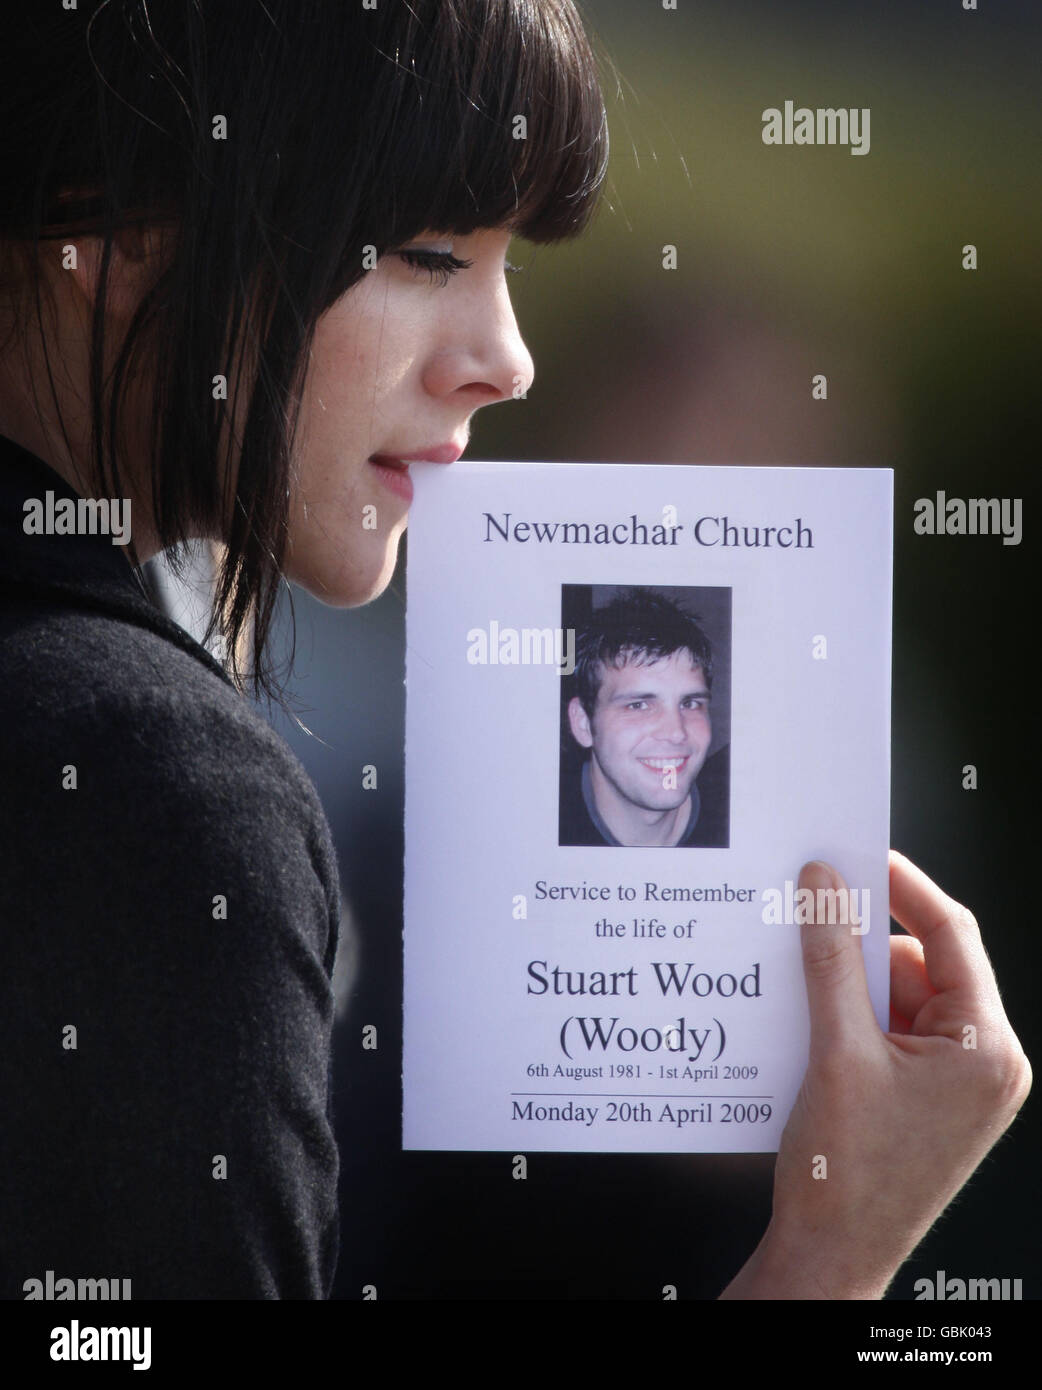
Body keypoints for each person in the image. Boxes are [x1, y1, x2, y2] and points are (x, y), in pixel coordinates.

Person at [0, 1, 1029, 1303]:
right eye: (431, 251)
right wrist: (832, 1249)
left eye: (507, 265)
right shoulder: (145, 773)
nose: (507, 360)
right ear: (119, 223)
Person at [561, 588, 729, 848]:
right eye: (638, 705)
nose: (676, 733)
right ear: (583, 723)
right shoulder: (538, 830)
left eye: (690, 703)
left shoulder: (743, 819)